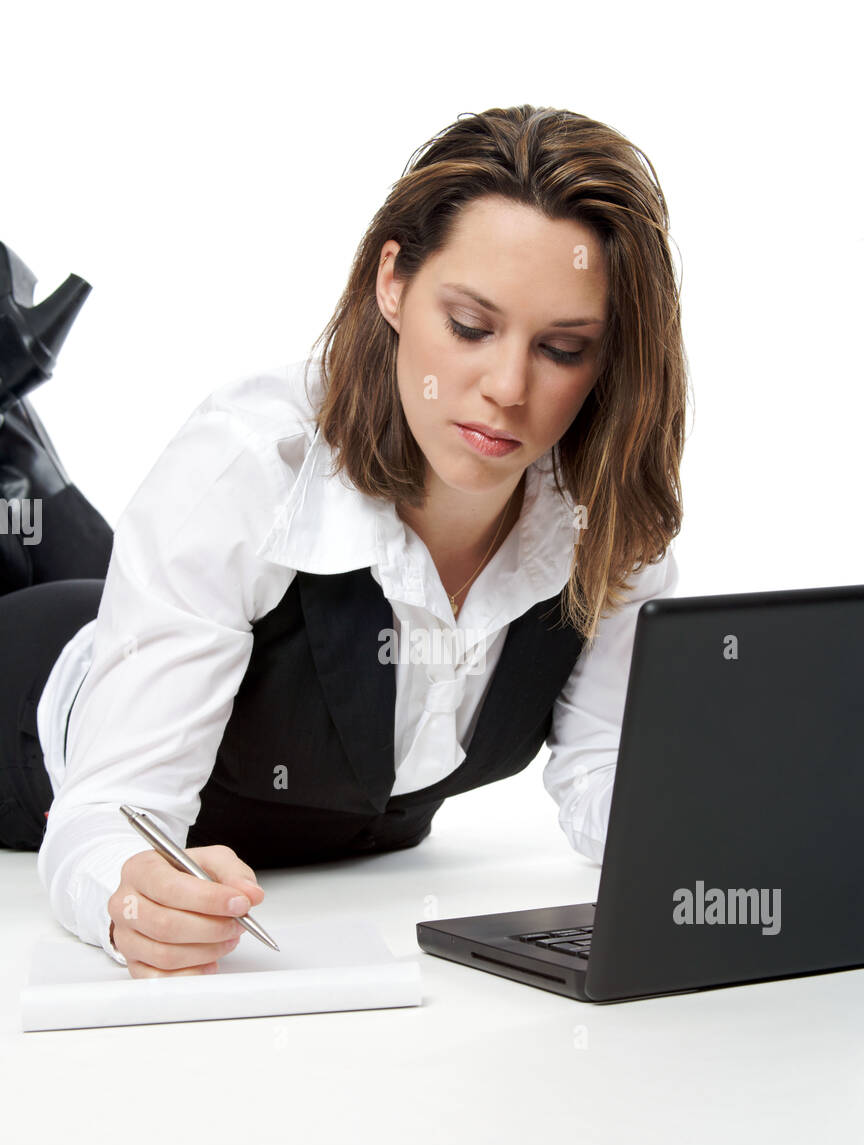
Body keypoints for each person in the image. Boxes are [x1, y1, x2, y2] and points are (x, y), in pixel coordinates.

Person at [0, 103, 686, 979]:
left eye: (561, 347)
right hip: (31, 702)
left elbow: (609, 775)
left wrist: (734, 831)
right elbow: (104, 811)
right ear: (392, 282)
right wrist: (127, 893)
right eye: (471, 327)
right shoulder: (250, 464)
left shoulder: (606, 516)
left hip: (152, 626)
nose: (507, 388)